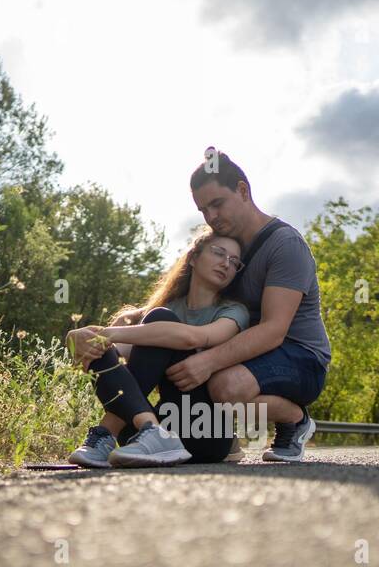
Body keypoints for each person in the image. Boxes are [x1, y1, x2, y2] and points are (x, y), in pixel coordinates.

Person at [167, 150, 331, 462]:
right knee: (181, 362)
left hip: (302, 358)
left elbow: (273, 331)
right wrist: (132, 321)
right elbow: (179, 299)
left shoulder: (286, 246)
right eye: (203, 210)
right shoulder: (225, 249)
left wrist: (208, 361)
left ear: (243, 191)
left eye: (217, 204)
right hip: (253, 355)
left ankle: (295, 419)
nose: (211, 217)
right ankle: (214, 440)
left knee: (225, 386)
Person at [65, 230, 250, 468]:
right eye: (218, 253)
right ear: (193, 258)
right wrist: (77, 338)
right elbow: (113, 356)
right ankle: (148, 428)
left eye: (234, 261)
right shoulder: (158, 310)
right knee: (115, 340)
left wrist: (107, 334)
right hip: (143, 434)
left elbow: (192, 338)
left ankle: (106, 432)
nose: (226, 263)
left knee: (160, 323)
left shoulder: (234, 312)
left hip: (205, 432)